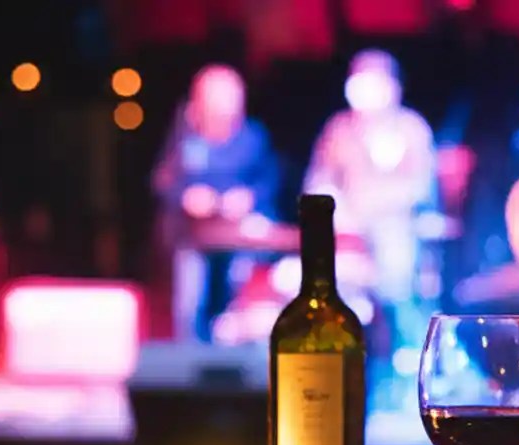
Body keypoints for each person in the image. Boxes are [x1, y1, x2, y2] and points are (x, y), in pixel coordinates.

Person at [303, 49, 438, 381]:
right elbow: (317, 181)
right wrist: (338, 204)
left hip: (400, 232)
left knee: (394, 253)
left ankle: (407, 357)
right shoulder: (339, 130)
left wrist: (377, 202)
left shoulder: (412, 129)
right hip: (350, 234)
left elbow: (421, 188)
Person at [151, 64, 280, 343]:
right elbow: (163, 181)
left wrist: (248, 198)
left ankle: (235, 362)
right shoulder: (184, 137)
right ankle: (188, 364)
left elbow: (269, 181)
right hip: (192, 237)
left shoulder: (252, 138)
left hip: (238, 240)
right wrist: (187, 196)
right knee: (190, 301)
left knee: (238, 299)